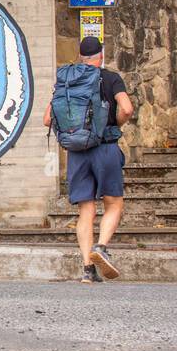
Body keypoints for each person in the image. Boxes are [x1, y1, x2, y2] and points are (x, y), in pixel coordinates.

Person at [44, 37, 135, 283]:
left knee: (86, 211)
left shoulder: (68, 80)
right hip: (105, 148)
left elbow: (47, 119)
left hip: (77, 153)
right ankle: (101, 248)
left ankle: (87, 270)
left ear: (81, 56)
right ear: (100, 55)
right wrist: (115, 123)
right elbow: (126, 108)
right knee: (113, 203)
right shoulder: (110, 78)